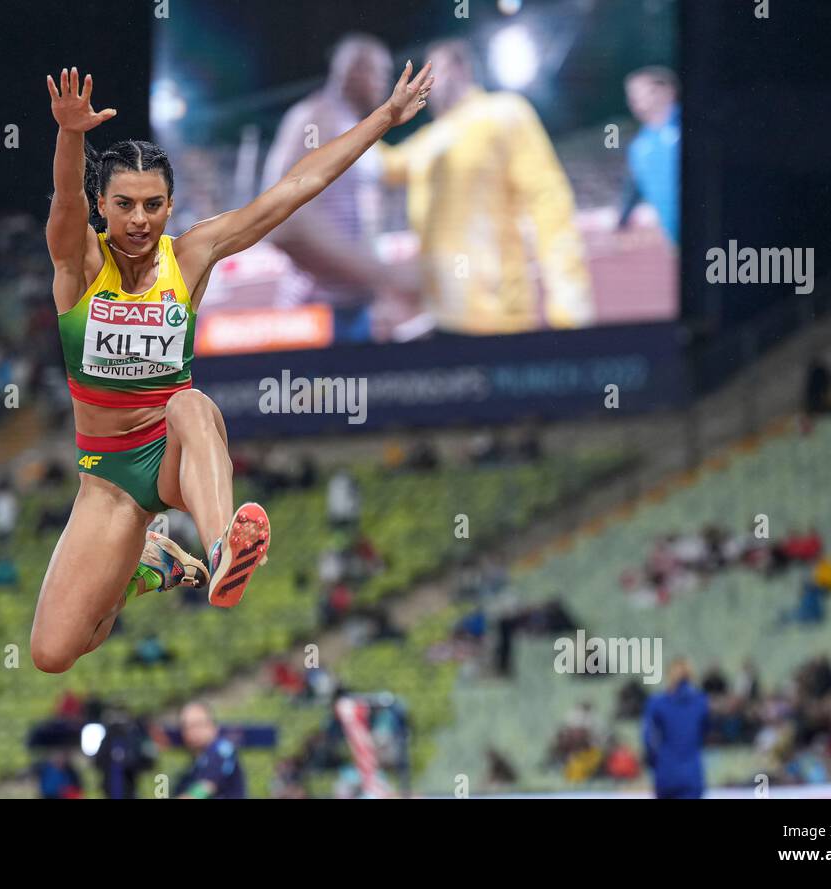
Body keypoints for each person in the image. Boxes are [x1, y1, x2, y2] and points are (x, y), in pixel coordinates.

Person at [30, 60, 435, 673]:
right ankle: (152, 565)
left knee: (188, 402)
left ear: (170, 207)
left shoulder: (191, 255)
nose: (140, 219)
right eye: (125, 205)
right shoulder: (79, 266)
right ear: (103, 207)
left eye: (153, 204)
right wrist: (69, 133)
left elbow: (294, 189)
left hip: (171, 454)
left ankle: (223, 546)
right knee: (54, 653)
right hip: (105, 479)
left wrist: (383, 118)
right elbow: (63, 201)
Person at [379, 39, 593, 335]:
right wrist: (347, 124)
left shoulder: (503, 112)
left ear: (461, 68)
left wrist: (570, 305)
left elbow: (548, 200)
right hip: (441, 317)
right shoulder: (427, 140)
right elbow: (382, 166)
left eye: (432, 71)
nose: (422, 84)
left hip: (498, 319)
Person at [262, 34, 412, 342]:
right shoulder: (316, 119)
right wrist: (387, 277)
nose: (386, 85)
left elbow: (359, 224)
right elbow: (283, 220)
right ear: (354, 71)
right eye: (381, 74)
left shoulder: (357, 128)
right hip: (318, 314)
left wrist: (376, 291)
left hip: (353, 311)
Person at [617, 66, 681, 245]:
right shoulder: (638, 146)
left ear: (666, 91)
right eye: (630, 94)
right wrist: (623, 218)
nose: (633, 99)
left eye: (640, 92)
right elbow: (634, 186)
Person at [641, 658, 709, 799]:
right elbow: (704, 733)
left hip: (665, 773)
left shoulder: (657, 703)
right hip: (692, 775)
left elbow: (648, 738)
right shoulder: (701, 702)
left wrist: (657, 763)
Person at [173, 702, 245, 799]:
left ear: (213, 726)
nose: (193, 731)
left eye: (198, 724)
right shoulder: (197, 760)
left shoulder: (221, 750)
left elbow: (205, 788)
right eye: (187, 726)